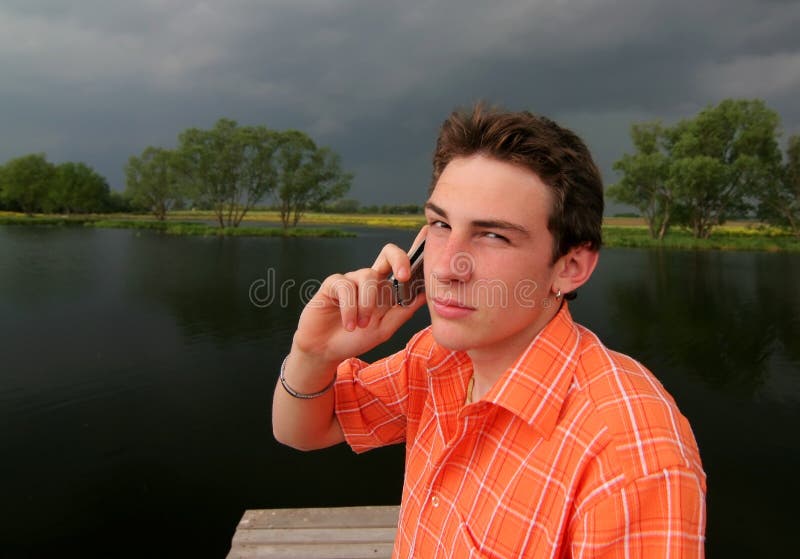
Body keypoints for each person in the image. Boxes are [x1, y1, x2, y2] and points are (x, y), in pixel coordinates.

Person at [272, 104, 706, 558]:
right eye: (441, 224)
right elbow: (304, 432)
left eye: (493, 236)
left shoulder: (629, 461)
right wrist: (314, 353)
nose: (444, 265)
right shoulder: (437, 357)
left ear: (571, 266)